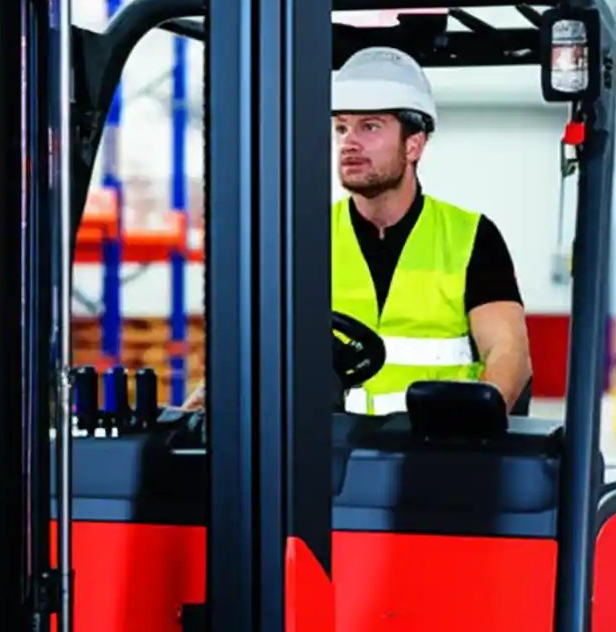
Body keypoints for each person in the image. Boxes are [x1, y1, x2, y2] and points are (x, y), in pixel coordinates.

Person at [183, 46, 532, 414]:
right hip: (326, 441)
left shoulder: (472, 236)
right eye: (342, 128)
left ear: (413, 145)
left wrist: (480, 422)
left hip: (437, 442)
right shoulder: (304, 235)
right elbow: (256, 341)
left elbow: (508, 351)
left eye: (370, 127)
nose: (349, 142)